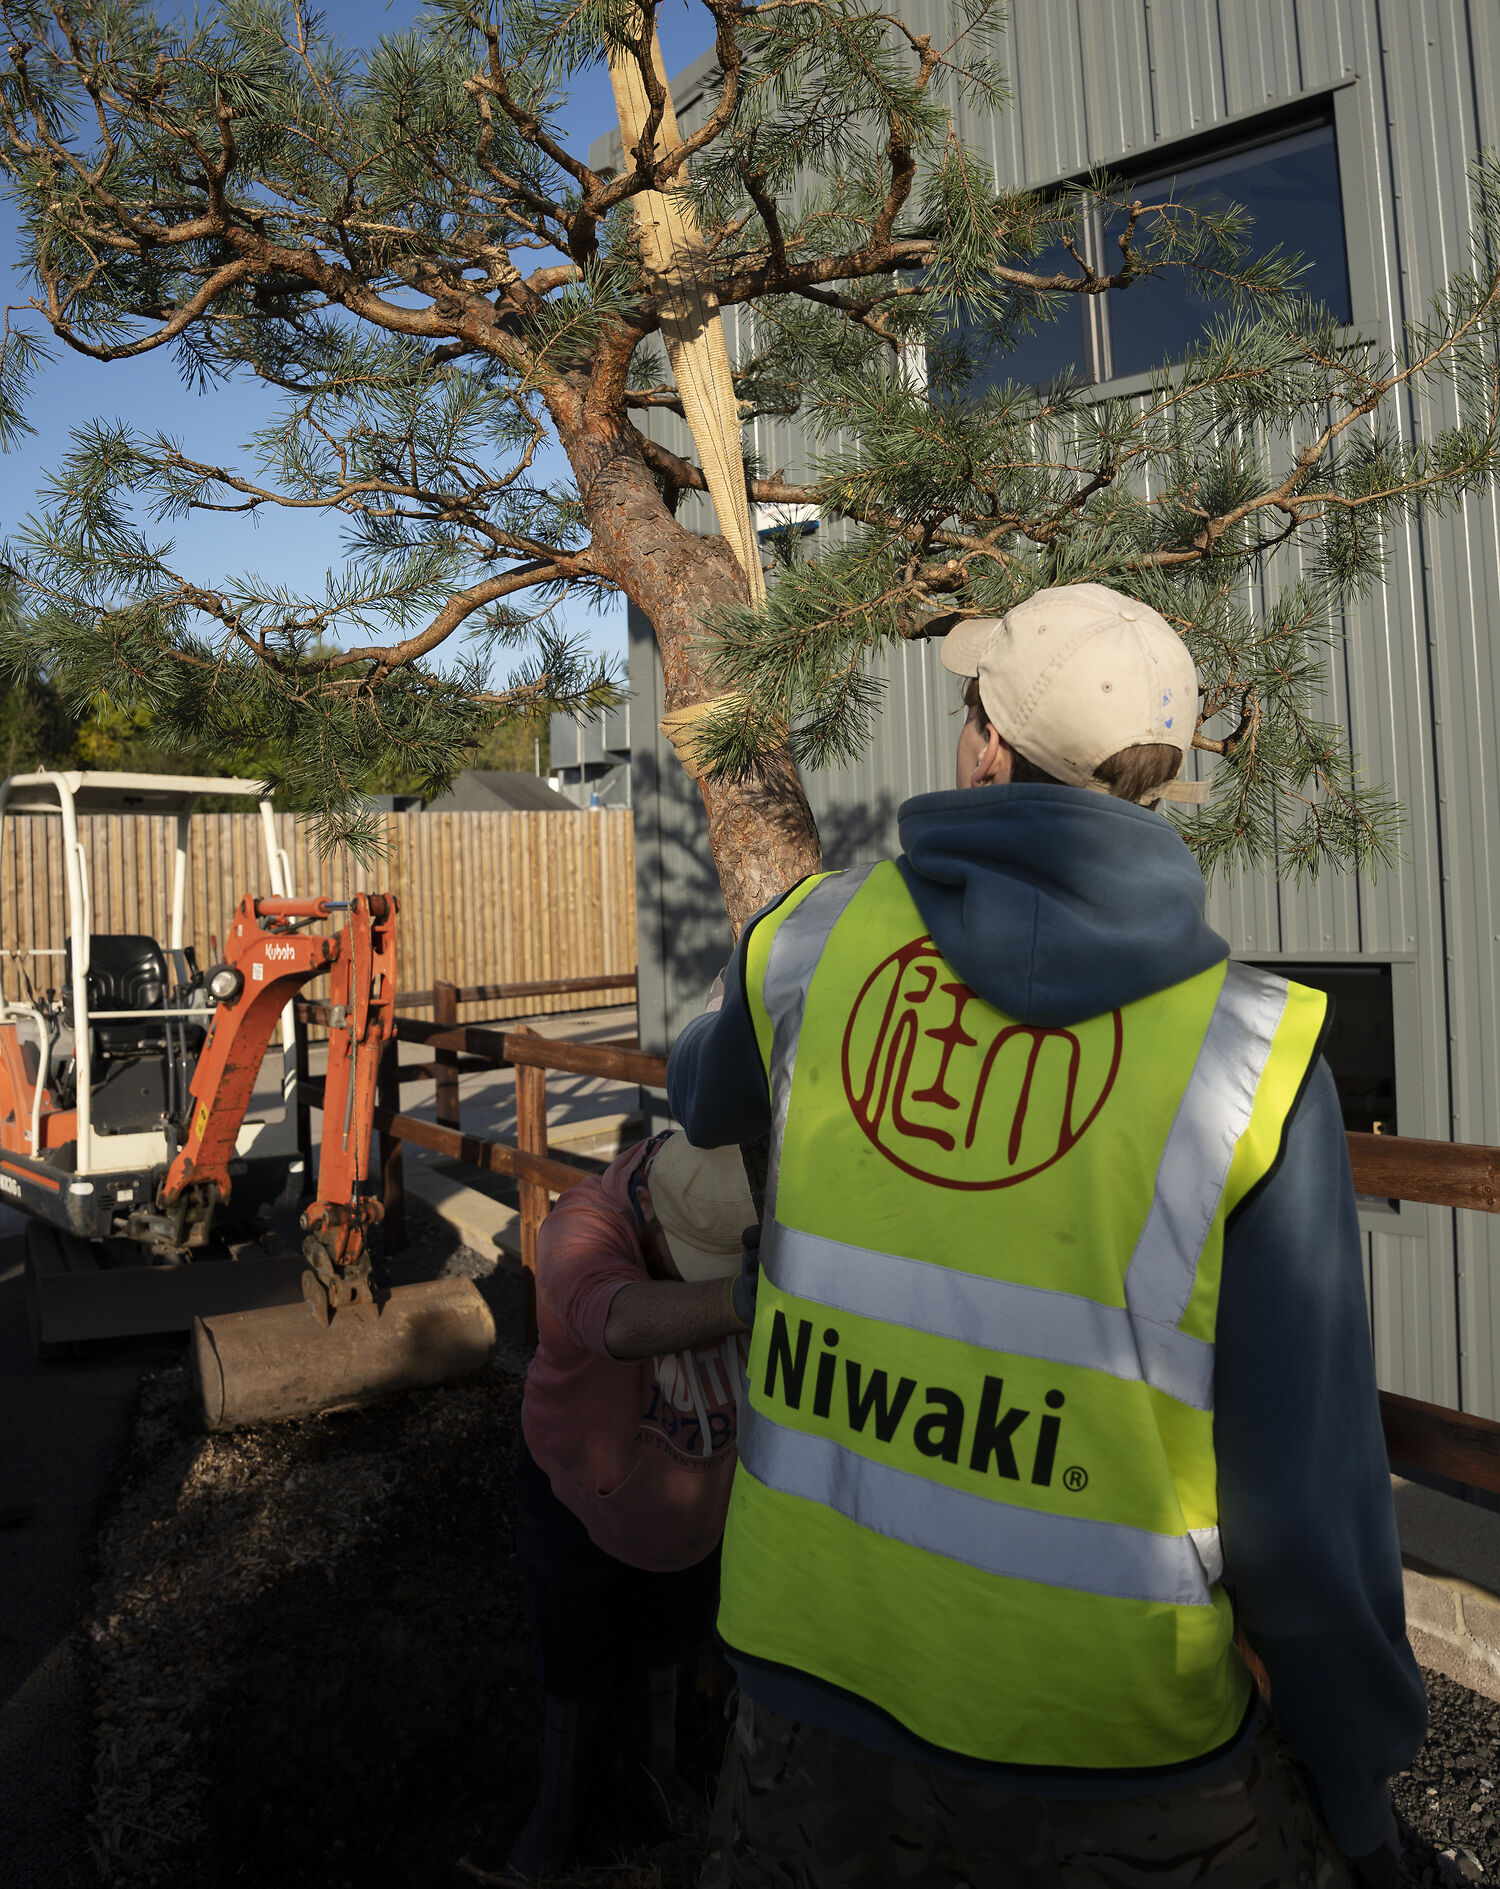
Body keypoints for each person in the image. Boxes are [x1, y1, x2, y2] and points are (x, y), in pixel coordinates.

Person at [667, 583, 1426, 1889]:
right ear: (1156, 782)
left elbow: (702, 1094)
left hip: (805, 1697)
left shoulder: (814, 942)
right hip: (1112, 1756)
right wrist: (1357, 1791)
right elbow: (1304, 1513)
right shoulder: (1250, 1058)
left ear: (984, 749)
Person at [505, 1126, 756, 1882]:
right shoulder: (584, 1222)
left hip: (690, 1506)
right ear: (651, 1216)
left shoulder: (726, 1187)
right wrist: (744, 1297)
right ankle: (560, 1803)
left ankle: (656, 1773)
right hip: (578, 1490)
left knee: (668, 1643)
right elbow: (614, 1319)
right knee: (573, 1655)